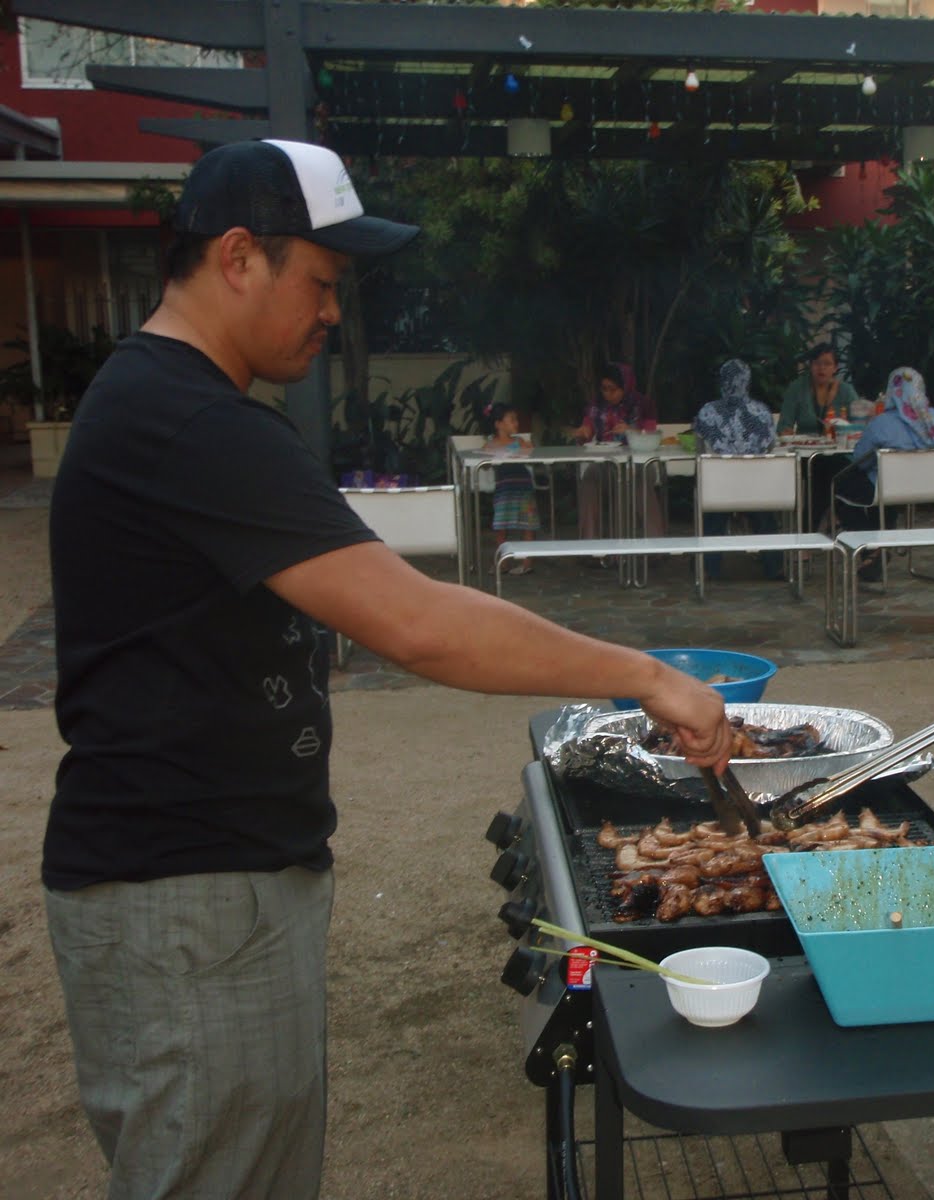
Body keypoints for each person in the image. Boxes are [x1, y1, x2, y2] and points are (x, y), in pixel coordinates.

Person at [43, 138, 733, 1200]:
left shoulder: (175, 408)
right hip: (184, 899)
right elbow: (417, 624)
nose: (332, 313)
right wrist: (643, 673)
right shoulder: (186, 419)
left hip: (199, 891)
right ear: (238, 258)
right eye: (319, 283)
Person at [831, 366, 934, 578]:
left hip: (888, 489)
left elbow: (860, 460)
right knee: (886, 492)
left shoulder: (882, 424)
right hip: (932, 488)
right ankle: (880, 548)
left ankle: (872, 547)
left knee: (840, 487)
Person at [692, 358, 784, 581]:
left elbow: (699, 449)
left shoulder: (708, 412)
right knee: (766, 519)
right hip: (757, 490)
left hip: (720, 491)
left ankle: (709, 568)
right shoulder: (762, 412)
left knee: (712, 518)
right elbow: (770, 446)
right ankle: (774, 567)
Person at [573, 361, 664, 545]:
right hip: (606, 464)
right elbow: (587, 429)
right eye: (604, 389)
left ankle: (655, 547)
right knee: (589, 479)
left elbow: (651, 435)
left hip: (639, 463)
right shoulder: (596, 405)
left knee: (640, 483)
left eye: (613, 389)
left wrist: (630, 430)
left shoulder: (643, 404)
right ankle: (590, 547)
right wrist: (583, 432)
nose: (608, 394)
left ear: (625, 386)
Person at [779, 343, 861, 528]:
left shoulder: (845, 391)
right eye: (816, 363)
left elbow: (858, 425)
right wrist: (791, 436)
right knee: (824, 472)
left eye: (826, 363)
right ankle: (851, 531)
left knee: (829, 473)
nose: (821, 368)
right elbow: (784, 427)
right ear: (810, 366)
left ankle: (808, 534)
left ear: (835, 367)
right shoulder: (797, 388)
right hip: (804, 454)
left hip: (839, 453)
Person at [481, 400, 539, 574]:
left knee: (527, 525)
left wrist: (525, 450)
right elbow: (483, 464)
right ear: (498, 424)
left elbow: (533, 453)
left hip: (523, 488)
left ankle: (527, 562)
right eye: (511, 420)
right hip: (504, 490)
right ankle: (502, 562)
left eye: (516, 420)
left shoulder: (520, 442)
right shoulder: (490, 445)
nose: (516, 423)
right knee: (500, 526)